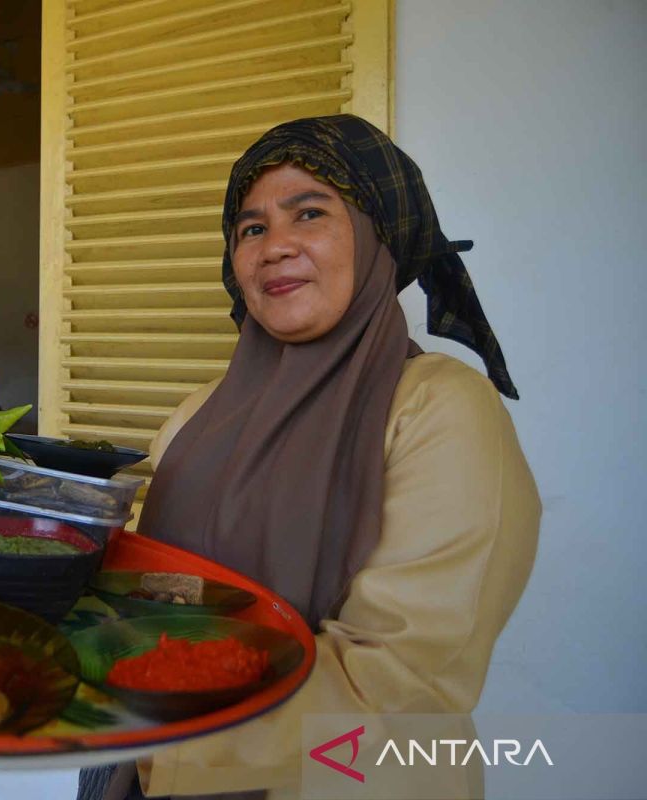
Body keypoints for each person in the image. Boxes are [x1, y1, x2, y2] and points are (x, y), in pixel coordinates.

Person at [77, 115, 541, 799]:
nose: (274, 247)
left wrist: (150, 721)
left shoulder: (439, 408)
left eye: (310, 213)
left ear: (376, 235)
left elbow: (403, 679)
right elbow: (170, 589)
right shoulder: (196, 416)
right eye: (252, 229)